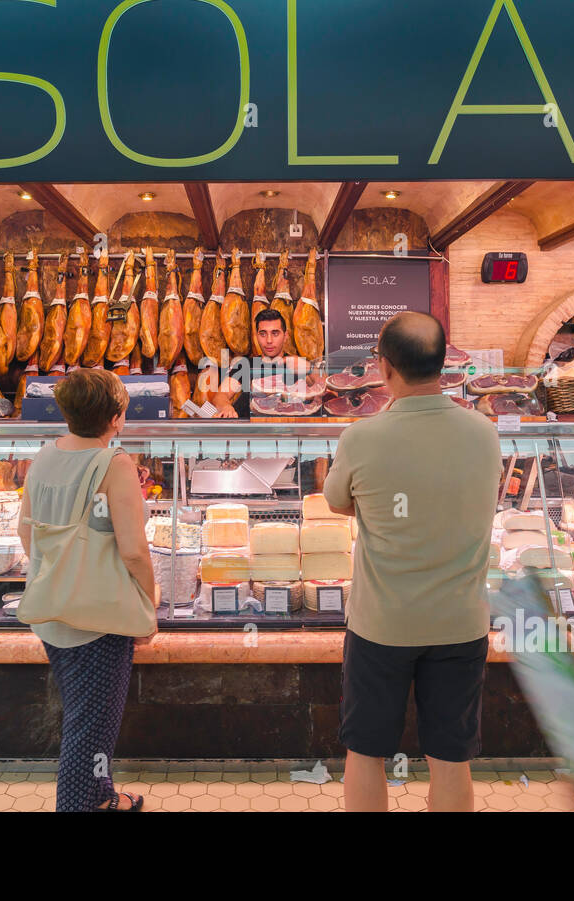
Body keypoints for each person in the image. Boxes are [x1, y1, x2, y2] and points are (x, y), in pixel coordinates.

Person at [322, 311, 501, 811]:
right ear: (443, 363)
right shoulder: (484, 433)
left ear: (384, 368)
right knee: (450, 758)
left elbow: (337, 502)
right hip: (460, 624)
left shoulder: (361, 438)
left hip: (383, 625)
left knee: (366, 751)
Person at [17, 367, 158, 812]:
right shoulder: (114, 464)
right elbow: (134, 550)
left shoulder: (44, 455)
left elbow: (26, 532)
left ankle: (101, 797)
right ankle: (79, 803)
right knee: (89, 729)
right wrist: (148, 600)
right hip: (97, 619)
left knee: (84, 713)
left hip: (54, 610)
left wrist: (60, 568)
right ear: (116, 417)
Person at [195, 309, 322, 418]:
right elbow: (221, 395)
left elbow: (326, 389)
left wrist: (309, 368)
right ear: (256, 336)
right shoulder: (246, 366)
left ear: (286, 336)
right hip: (251, 436)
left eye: (275, 333)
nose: (269, 340)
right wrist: (225, 406)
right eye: (263, 334)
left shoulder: (295, 363)